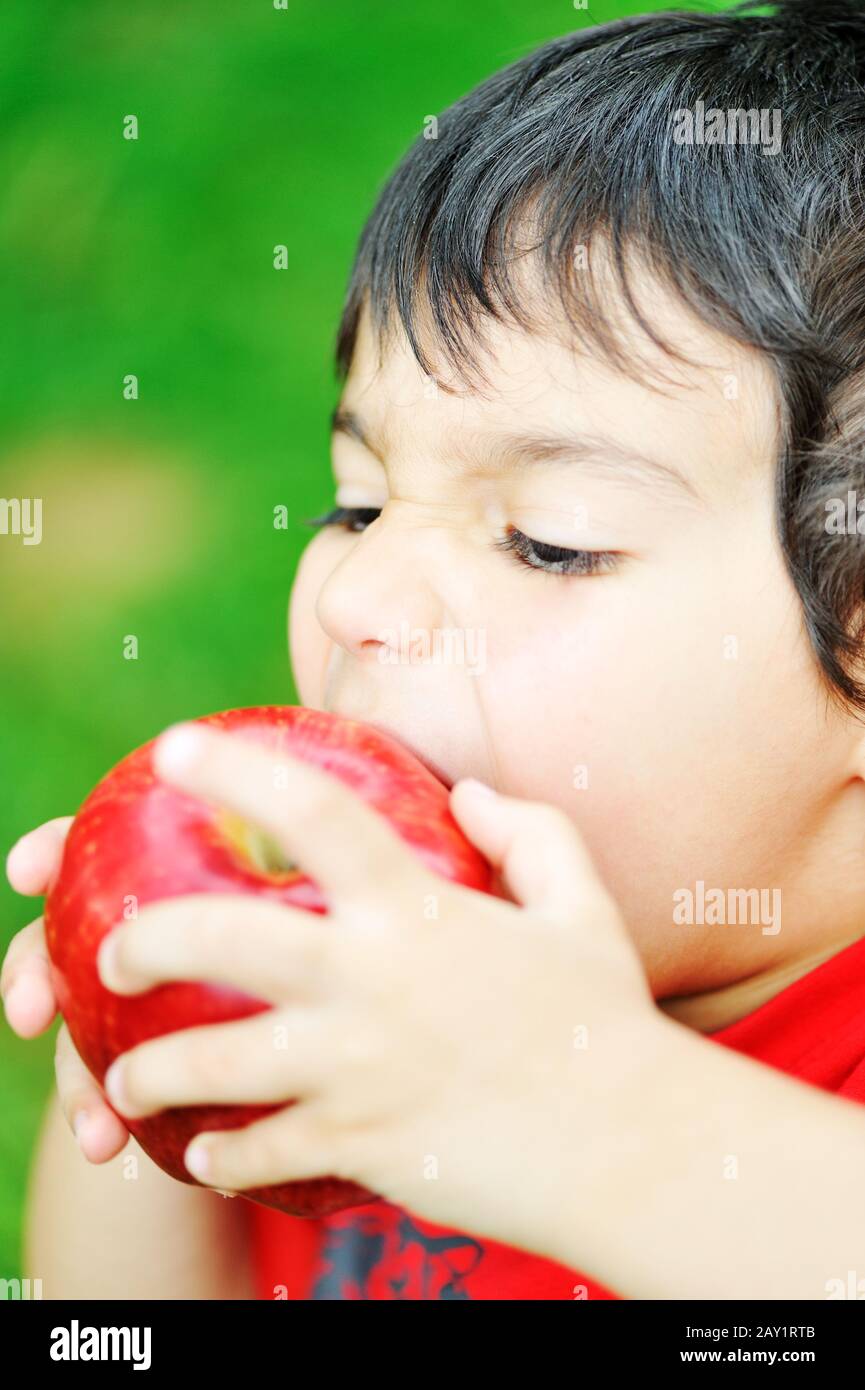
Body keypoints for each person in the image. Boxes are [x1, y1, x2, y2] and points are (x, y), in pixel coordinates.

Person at [5, 0, 865, 1300]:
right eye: (354, 502)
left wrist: (585, 1112)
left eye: (545, 539)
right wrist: (150, 1098)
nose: (363, 591)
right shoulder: (366, 991)